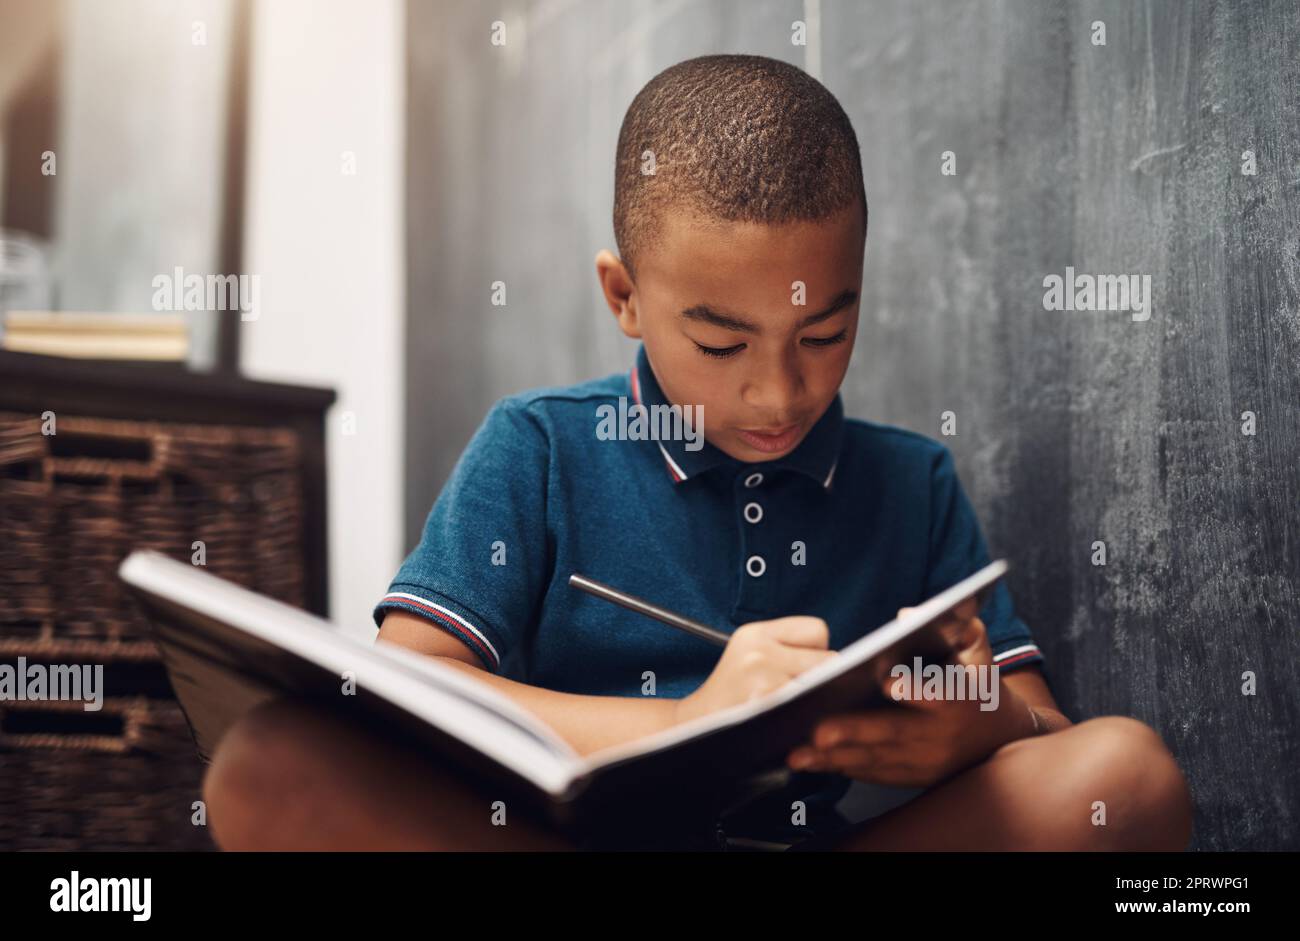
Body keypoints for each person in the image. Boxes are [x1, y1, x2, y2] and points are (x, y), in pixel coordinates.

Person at [203, 54, 1192, 852]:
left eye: (823, 335)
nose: (778, 393)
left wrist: (979, 721)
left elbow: (1043, 727)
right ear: (623, 296)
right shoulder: (539, 444)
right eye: (721, 344)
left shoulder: (908, 481)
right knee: (273, 762)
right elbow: (408, 682)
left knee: (1123, 773)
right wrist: (686, 720)